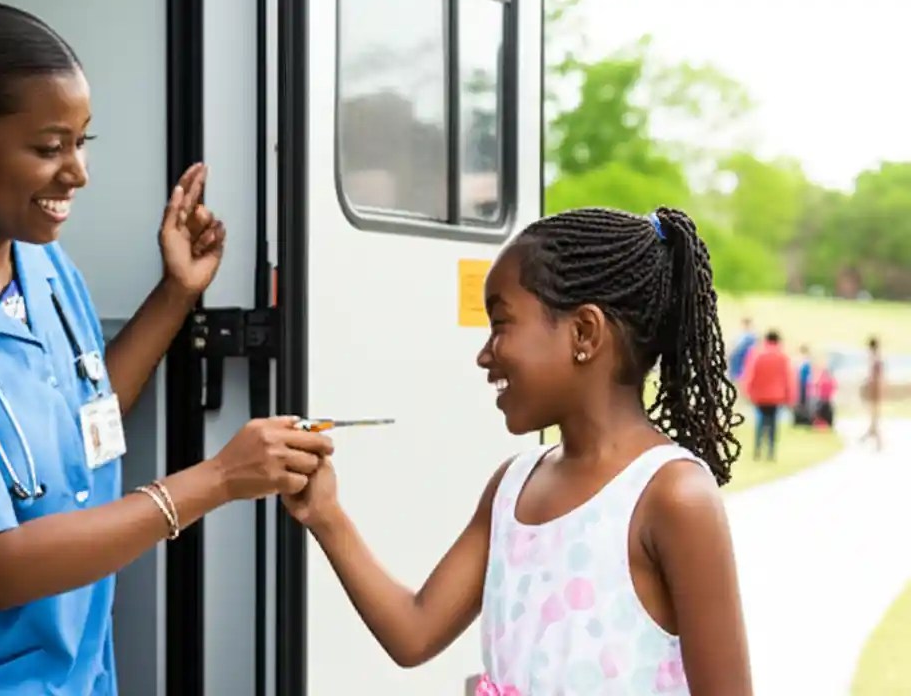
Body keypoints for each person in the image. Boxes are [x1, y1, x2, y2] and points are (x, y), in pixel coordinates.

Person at [0, 3, 334, 695]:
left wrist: (175, 294)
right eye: (49, 148)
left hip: (68, 675)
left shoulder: (42, 269)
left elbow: (85, 414)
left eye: (82, 142)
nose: (76, 174)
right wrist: (218, 480)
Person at [284, 207, 752, 695]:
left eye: (501, 323)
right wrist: (326, 515)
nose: (485, 354)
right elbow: (414, 632)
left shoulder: (674, 496)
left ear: (584, 333)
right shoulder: (512, 486)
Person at [740, 330, 795, 461]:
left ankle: (758, 450)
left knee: (760, 423)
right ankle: (771, 452)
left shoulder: (758, 355)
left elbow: (750, 375)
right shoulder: (782, 357)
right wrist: (789, 397)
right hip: (776, 397)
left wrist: (747, 391)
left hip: (759, 396)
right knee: (773, 425)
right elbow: (788, 378)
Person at [860, 336, 884, 451]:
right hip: (875, 392)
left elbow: (875, 378)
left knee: (874, 417)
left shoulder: (875, 360)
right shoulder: (876, 359)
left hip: (874, 393)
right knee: (873, 418)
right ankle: (869, 436)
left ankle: (876, 440)